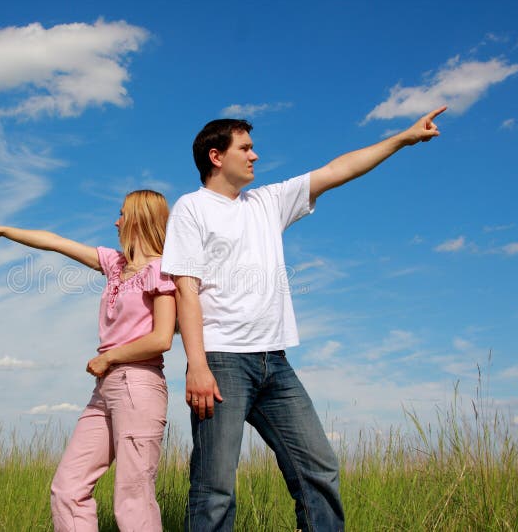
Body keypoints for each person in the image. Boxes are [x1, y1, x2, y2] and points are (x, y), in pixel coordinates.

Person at [161, 107, 447, 531]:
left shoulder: (268, 202)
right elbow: (186, 288)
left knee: (318, 469)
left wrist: (401, 140)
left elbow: (337, 170)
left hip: (274, 363)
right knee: (215, 486)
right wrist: (198, 365)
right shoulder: (191, 208)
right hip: (222, 362)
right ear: (216, 156)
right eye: (246, 148)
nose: (255, 156)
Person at [0, 189, 176, 532]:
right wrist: (2, 230)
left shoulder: (162, 270)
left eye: (122, 214)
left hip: (138, 384)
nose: (116, 221)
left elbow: (161, 339)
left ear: (138, 219)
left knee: (133, 499)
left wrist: (110, 358)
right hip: (105, 389)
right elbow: (55, 241)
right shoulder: (114, 264)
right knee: (68, 488)